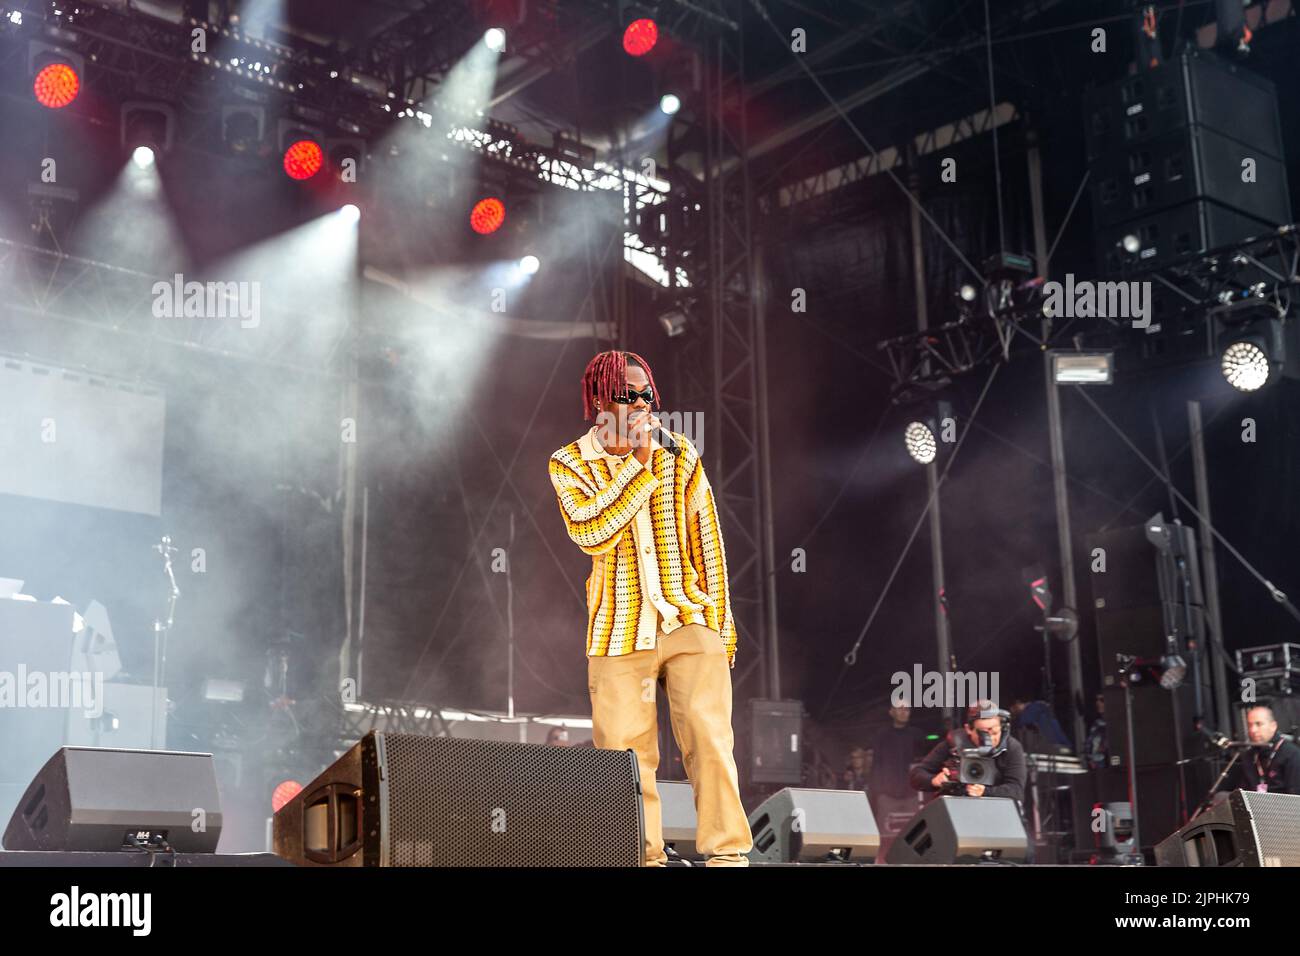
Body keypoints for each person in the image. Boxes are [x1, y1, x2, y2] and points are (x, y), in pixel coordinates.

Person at [548, 350, 750, 867]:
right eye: (627, 395)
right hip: (617, 630)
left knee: (710, 742)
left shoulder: (679, 455)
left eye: (646, 395)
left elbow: (709, 546)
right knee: (624, 759)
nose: (640, 404)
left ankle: (728, 857)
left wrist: (720, 629)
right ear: (600, 401)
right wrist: (637, 468)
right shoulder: (570, 462)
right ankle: (640, 859)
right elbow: (591, 533)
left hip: (688, 619)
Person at [910, 700, 1027, 803]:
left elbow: (1016, 791)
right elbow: (916, 774)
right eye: (983, 733)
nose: (990, 739)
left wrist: (985, 792)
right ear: (968, 729)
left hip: (997, 811)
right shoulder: (954, 743)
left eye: (995, 732)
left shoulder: (1011, 747)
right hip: (957, 807)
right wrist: (935, 780)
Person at [1217, 702, 1300, 795]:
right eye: (1250, 725)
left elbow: (1295, 796)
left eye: (1258, 724)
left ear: (1273, 726)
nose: (1253, 730)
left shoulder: (1292, 754)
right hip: (1254, 807)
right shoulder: (1249, 756)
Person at [869, 704, 925, 826]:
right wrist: (878, 794)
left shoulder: (917, 735)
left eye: (907, 709)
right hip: (887, 796)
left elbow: (923, 763)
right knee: (885, 833)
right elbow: (876, 766)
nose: (904, 712)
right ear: (891, 712)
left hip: (912, 795)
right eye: (900, 709)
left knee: (914, 832)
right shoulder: (882, 735)